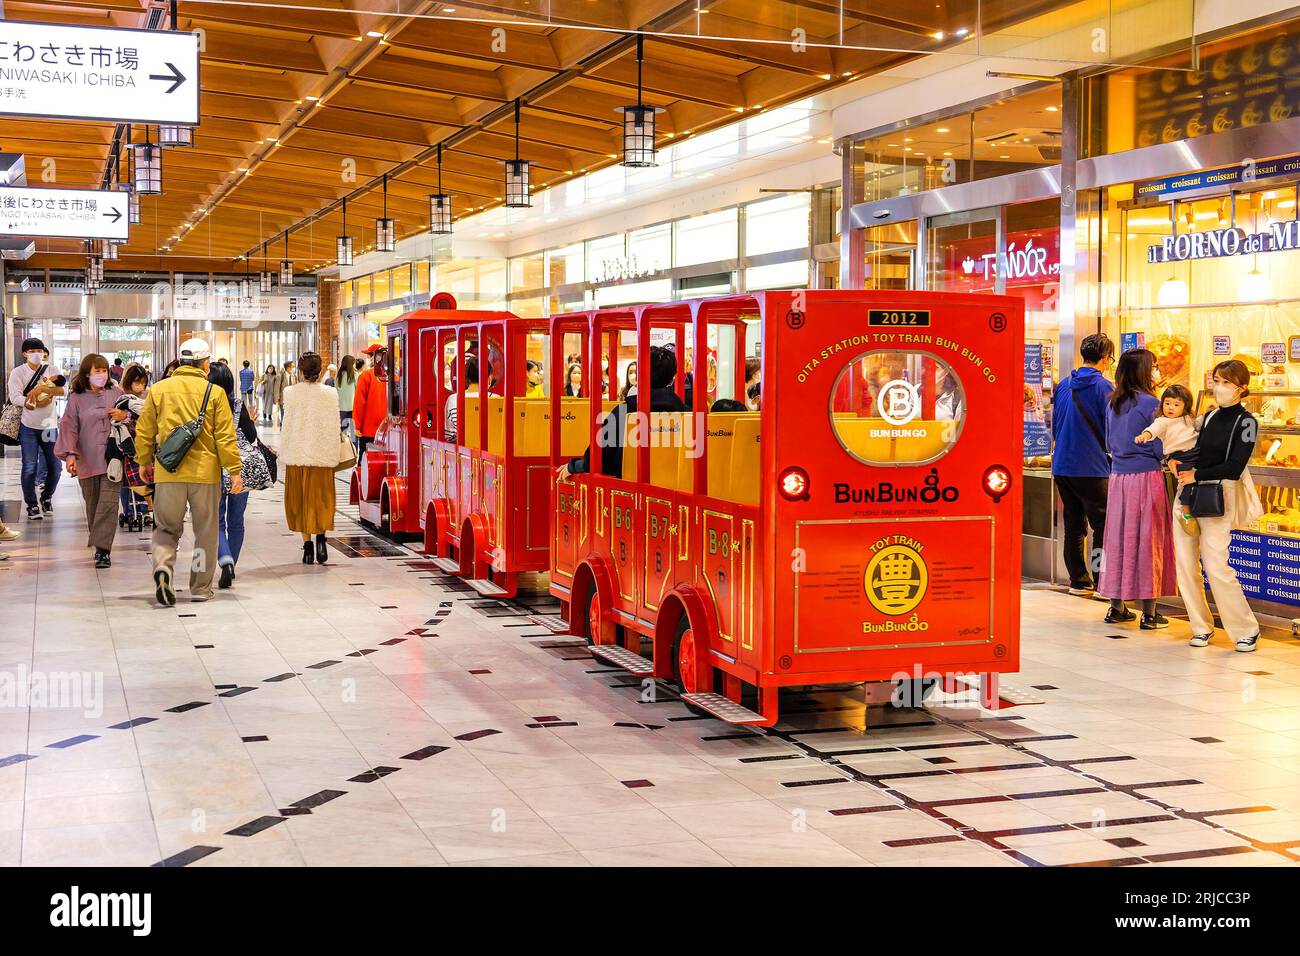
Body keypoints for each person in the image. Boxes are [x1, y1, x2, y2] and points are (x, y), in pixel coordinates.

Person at [134, 338, 243, 606]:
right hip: (205, 475)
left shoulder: (158, 390)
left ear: (181, 362)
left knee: (166, 528)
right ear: (205, 364)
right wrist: (235, 470)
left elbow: (145, 430)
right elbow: (225, 438)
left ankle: (163, 569)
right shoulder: (215, 393)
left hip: (168, 471)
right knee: (205, 533)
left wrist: (144, 461)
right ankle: (199, 587)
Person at [1169, 360, 1261, 652]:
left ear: (1241, 388)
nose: (1219, 387)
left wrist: (1198, 474)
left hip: (1219, 496)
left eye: (1226, 383)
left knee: (1216, 564)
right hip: (1188, 496)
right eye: (1217, 380)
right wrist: (1175, 461)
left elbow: (1234, 466)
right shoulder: (1208, 417)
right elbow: (1198, 452)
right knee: (1185, 564)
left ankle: (1245, 629)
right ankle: (1200, 626)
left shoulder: (1247, 421)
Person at [1095, 349, 1175, 629]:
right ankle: (1150, 612)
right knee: (1147, 539)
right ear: (1144, 371)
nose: (1156, 370)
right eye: (1153, 366)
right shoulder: (1151, 403)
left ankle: (1116, 607)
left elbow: (1108, 441)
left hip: (1118, 478)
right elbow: (1158, 444)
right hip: (1146, 477)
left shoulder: (1112, 402)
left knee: (1118, 539)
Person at [558, 346, 687, 479]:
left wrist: (573, 466)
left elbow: (596, 459)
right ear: (672, 377)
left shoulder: (623, 413)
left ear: (641, 374)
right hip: (677, 491)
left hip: (629, 493)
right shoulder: (687, 415)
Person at [1051, 332, 1115, 597]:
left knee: (1074, 525)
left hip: (1063, 465)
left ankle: (1078, 580)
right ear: (1103, 358)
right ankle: (1102, 582)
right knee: (1103, 527)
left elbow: (1055, 424)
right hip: (1091, 466)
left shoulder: (1065, 384)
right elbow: (1110, 427)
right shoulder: (1105, 387)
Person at [53, 355, 124, 569]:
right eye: (97, 371)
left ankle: (103, 550)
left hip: (113, 459)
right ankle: (100, 544)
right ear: (87, 374)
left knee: (109, 504)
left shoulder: (117, 393)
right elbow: (69, 426)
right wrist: (71, 455)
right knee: (93, 504)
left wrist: (123, 415)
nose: (102, 375)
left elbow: (133, 416)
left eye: (104, 370)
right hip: (87, 459)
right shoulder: (76, 398)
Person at [280, 352, 340, 565]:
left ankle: (307, 548)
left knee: (300, 501)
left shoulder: (290, 393)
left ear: (301, 371)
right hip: (322, 455)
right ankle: (321, 539)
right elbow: (334, 425)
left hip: (297, 455)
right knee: (321, 500)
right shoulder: (331, 393)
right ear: (320, 370)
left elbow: (287, 424)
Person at [207, 363, 260, 589]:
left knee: (216, 521)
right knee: (236, 522)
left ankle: (225, 560)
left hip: (213, 469)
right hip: (239, 469)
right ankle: (233, 565)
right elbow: (251, 437)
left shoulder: (205, 407)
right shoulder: (238, 406)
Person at [7, 338, 65, 520]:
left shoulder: (52, 370)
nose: (37, 354)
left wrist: (39, 389)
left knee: (55, 467)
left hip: (49, 427)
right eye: (32, 351)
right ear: (24, 354)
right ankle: (32, 505)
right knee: (29, 467)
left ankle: (46, 497)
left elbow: (64, 390)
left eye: (39, 351)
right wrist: (30, 402)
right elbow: (14, 396)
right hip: (28, 427)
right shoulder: (18, 372)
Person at [115, 365, 152, 528]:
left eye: (143, 382)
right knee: (128, 478)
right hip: (127, 442)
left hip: (147, 443)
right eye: (136, 382)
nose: (140, 386)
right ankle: (128, 509)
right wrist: (127, 417)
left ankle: (145, 510)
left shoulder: (150, 395)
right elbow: (116, 418)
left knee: (146, 477)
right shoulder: (121, 396)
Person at [353, 344, 388, 459]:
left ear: (374, 357)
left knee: (366, 462)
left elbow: (359, 403)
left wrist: (357, 425)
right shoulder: (394, 376)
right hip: (388, 430)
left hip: (368, 430)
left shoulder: (365, 376)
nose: (368, 359)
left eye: (369, 356)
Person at [444, 355, 478, 443]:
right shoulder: (496, 398)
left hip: (462, 452)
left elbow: (449, 436)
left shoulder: (453, 399)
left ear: (466, 377)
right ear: (489, 377)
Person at [336, 355, 358, 438]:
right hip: (352, 407)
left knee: (342, 433)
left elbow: (336, 389)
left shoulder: (338, 375)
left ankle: (343, 449)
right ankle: (353, 449)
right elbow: (357, 389)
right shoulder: (355, 375)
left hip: (341, 407)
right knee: (352, 433)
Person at [275, 359, 297, 428]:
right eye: (292, 367)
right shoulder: (280, 375)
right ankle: (283, 430)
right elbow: (277, 388)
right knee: (283, 415)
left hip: (292, 399)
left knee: (291, 416)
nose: (293, 368)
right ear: (288, 368)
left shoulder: (294, 376)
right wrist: (276, 398)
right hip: (283, 399)